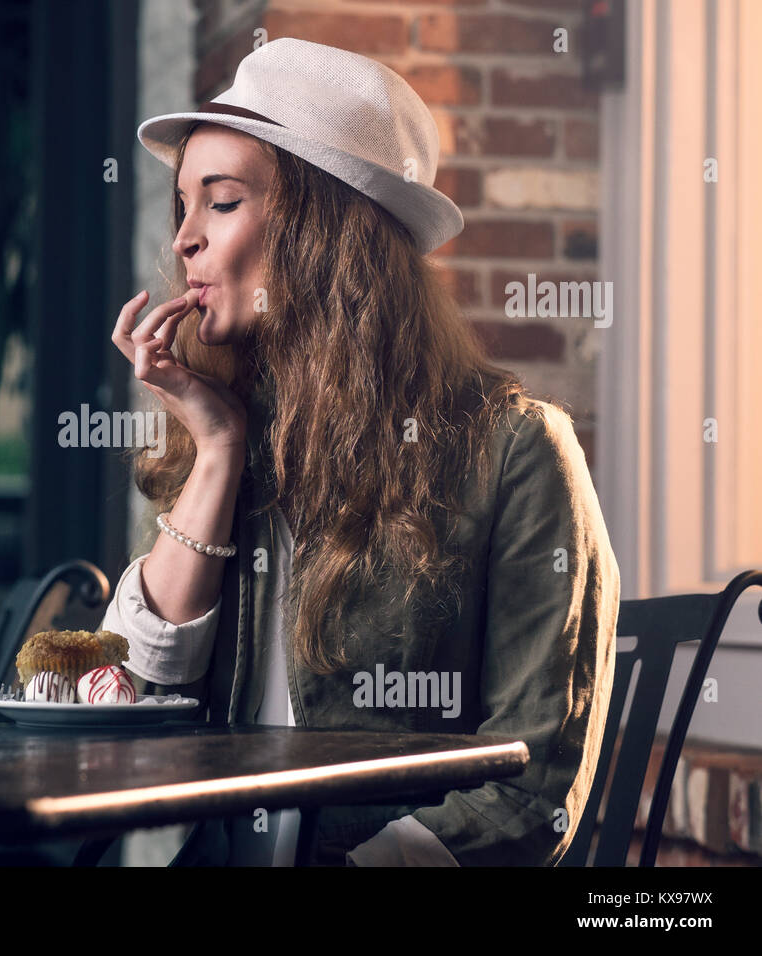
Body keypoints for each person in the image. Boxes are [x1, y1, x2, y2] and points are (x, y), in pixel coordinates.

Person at [102, 39, 619, 866]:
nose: (186, 240)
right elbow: (129, 694)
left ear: (327, 232)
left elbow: (533, 783)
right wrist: (218, 448)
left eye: (223, 202)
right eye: (183, 206)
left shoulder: (517, 451)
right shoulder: (231, 436)